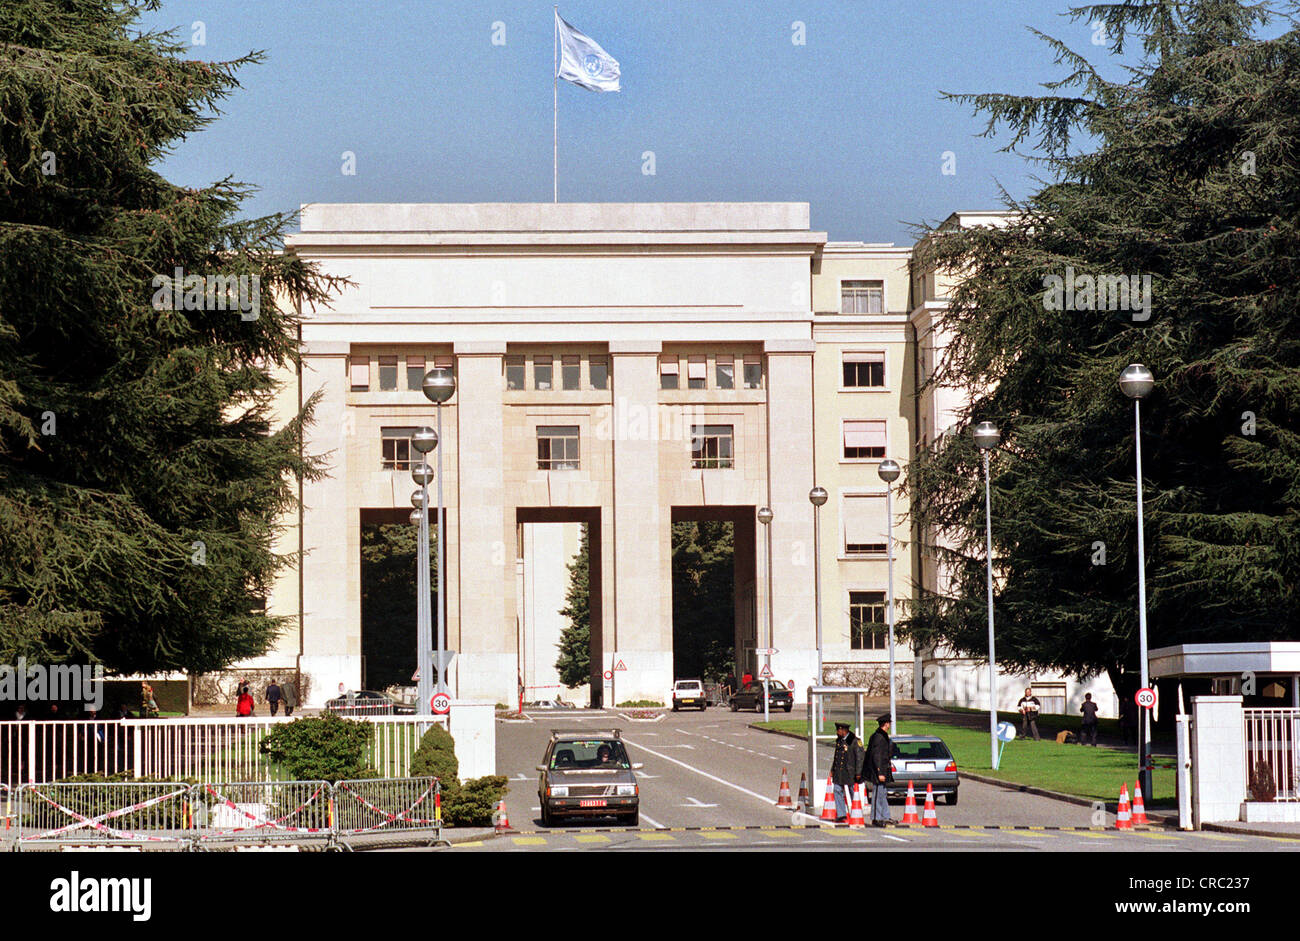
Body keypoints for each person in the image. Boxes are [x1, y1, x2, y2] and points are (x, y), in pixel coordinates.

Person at [829, 721, 864, 823]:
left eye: (838, 730)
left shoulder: (854, 741)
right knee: (837, 790)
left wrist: (858, 772)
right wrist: (832, 770)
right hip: (840, 771)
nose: (837, 732)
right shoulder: (839, 741)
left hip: (850, 772)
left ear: (844, 731)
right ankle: (841, 814)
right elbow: (837, 757)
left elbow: (860, 758)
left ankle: (856, 812)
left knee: (853, 792)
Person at [864, 714, 894, 827]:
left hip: (883, 770)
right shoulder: (878, 737)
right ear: (886, 724)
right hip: (879, 771)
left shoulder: (882, 736)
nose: (890, 724)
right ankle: (876, 818)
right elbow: (876, 756)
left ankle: (885, 816)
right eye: (889, 723)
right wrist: (879, 772)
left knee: (882, 794)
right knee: (877, 794)